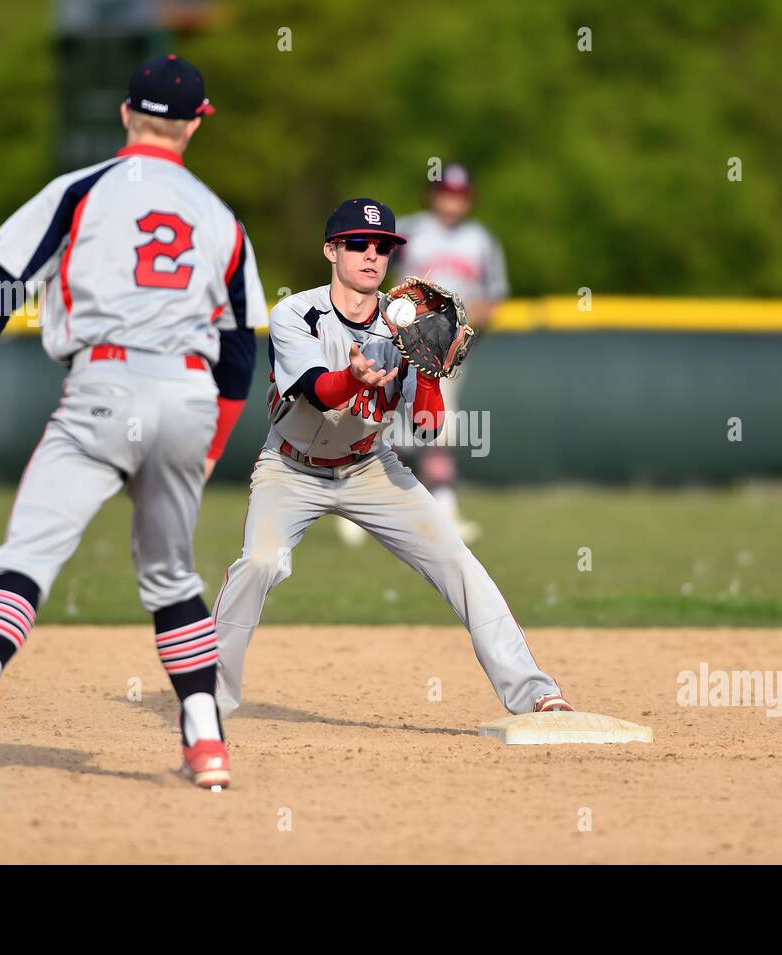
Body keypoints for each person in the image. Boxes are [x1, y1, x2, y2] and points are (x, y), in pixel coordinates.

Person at [0, 55, 265, 792]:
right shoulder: (221, 219)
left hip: (104, 384)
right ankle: (205, 739)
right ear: (196, 124)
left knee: (28, 554)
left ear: (127, 114)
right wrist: (211, 449)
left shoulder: (80, 191)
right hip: (189, 396)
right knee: (171, 576)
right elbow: (237, 350)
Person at [209, 198, 571, 783]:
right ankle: (210, 703)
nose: (372, 254)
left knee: (457, 559)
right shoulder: (296, 314)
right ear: (331, 251)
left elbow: (426, 428)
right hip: (292, 468)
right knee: (259, 563)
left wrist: (428, 374)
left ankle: (534, 692)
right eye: (358, 244)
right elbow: (317, 395)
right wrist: (354, 376)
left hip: (370, 467)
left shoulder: (405, 325)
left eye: (383, 247)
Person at [335, 164, 507, 546]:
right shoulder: (409, 232)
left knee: (437, 426)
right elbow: (371, 276)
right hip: (396, 342)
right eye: (447, 193)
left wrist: (457, 322)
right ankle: (356, 504)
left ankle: (440, 506)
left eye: (460, 195)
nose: (452, 202)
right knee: (380, 419)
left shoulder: (481, 241)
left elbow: (492, 300)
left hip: (446, 354)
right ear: (433, 194)